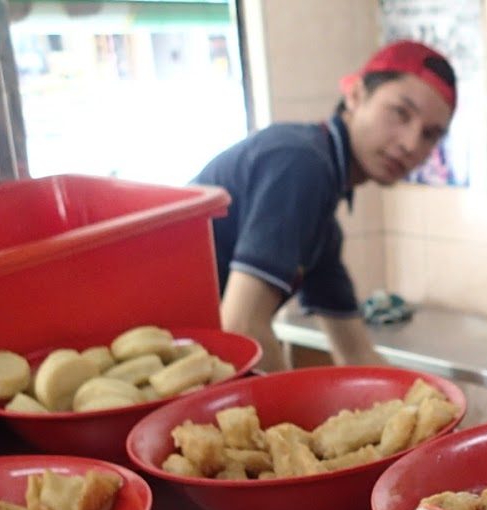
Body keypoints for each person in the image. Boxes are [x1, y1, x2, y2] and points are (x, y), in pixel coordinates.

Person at [192, 41, 456, 372]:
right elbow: (242, 328)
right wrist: (295, 421)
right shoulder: (301, 163)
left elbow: (357, 356)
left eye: (430, 135)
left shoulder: (323, 226)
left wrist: (434, 405)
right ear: (356, 94)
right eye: (400, 114)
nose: (410, 144)